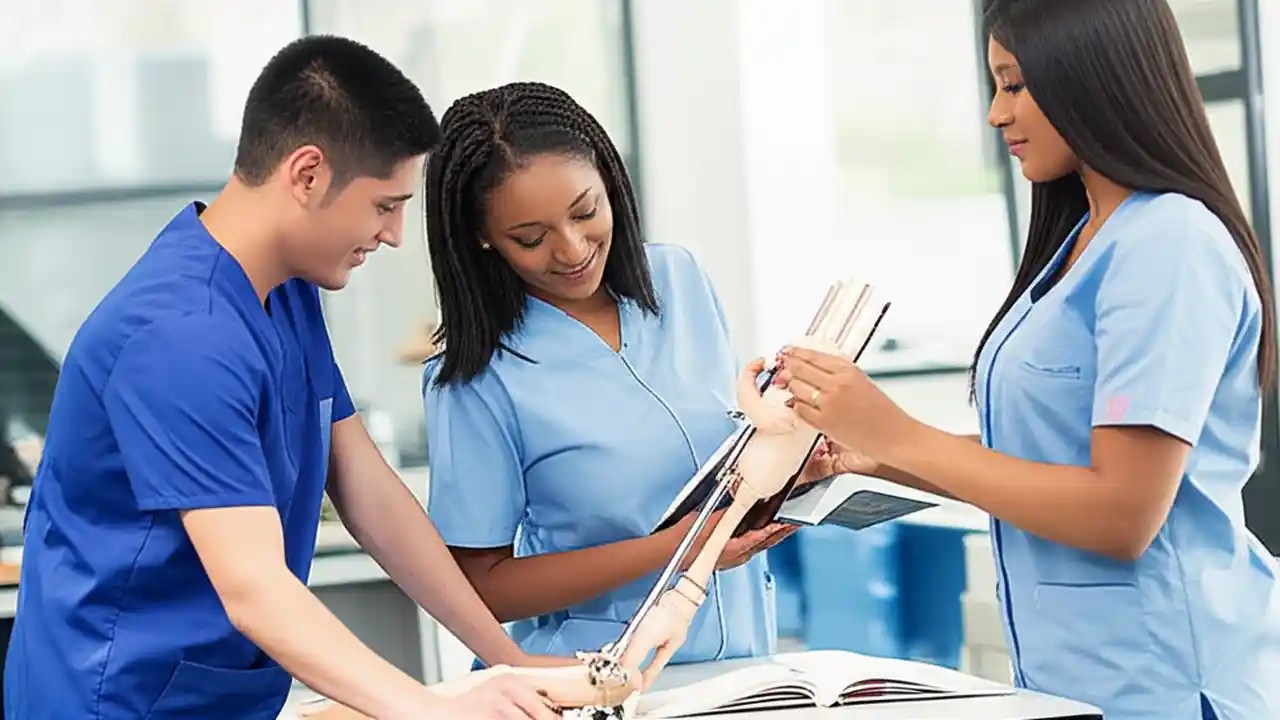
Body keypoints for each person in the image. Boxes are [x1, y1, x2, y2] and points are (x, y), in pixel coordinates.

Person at [4, 36, 561, 720]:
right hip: (115, 699)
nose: (393, 236)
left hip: (205, 692)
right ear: (307, 174)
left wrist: (506, 657)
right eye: (385, 205)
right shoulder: (181, 335)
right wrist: (430, 709)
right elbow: (256, 589)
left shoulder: (285, 289)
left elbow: (363, 485)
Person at [770, 1, 1280, 719]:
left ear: (1091, 74)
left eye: (1014, 84)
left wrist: (897, 433)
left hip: (1166, 683)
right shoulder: (1082, 242)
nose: (995, 115)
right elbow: (1043, 459)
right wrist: (871, 455)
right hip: (1072, 684)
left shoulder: (1170, 244)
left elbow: (1121, 512)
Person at [420, 81, 825, 668]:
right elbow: (479, 588)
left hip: (739, 670)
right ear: (483, 239)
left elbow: (716, 460)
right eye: (530, 238)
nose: (572, 249)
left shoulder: (678, 281)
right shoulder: (476, 378)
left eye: (586, 212)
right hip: (590, 679)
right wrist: (677, 551)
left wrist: (793, 464)